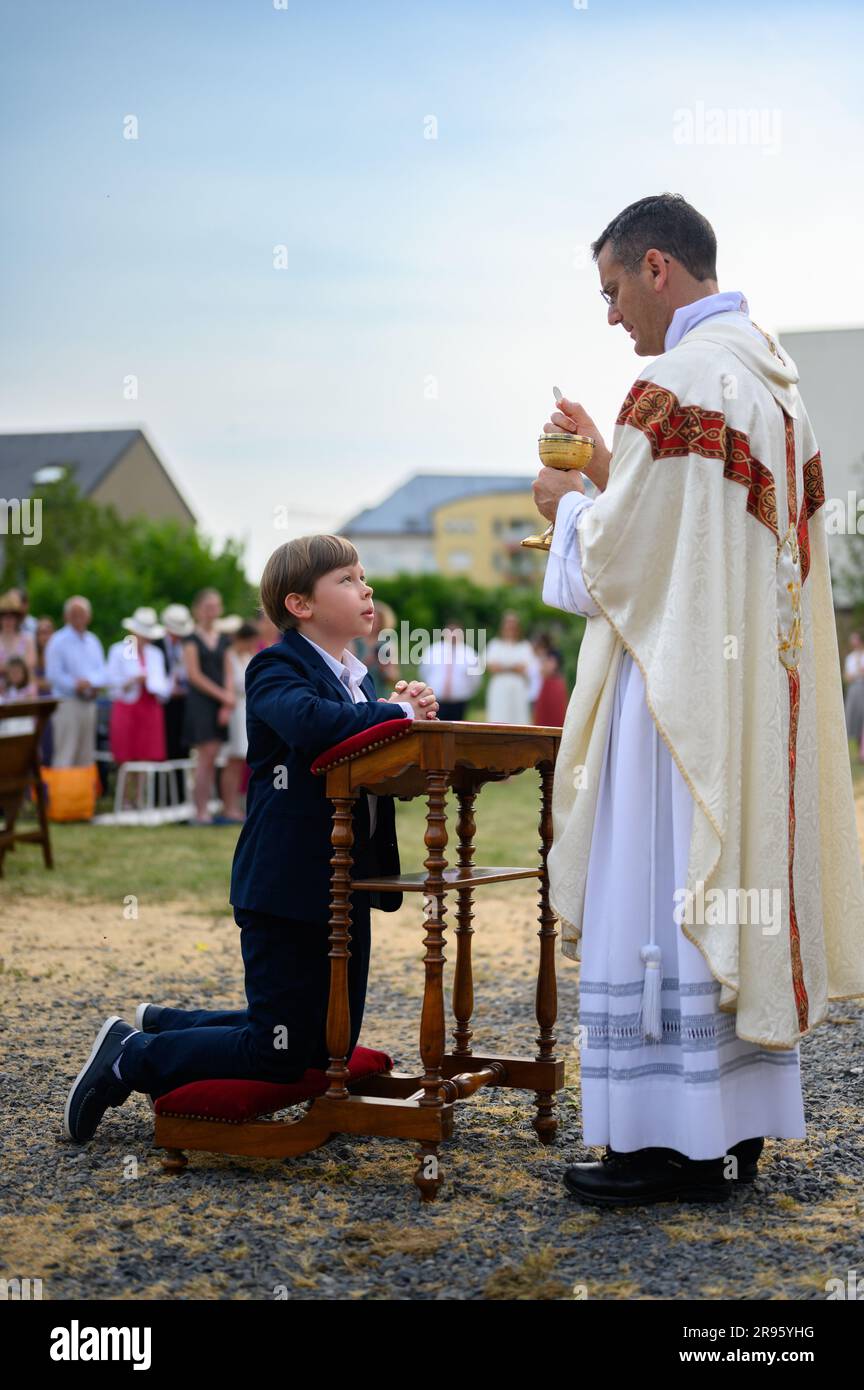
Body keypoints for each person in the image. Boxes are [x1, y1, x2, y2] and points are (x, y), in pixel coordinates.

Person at [536, 193, 864, 1207]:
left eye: (612, 290)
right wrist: (608, 465)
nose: (611, 317)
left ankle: (659, 1145)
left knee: (656, 890)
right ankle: (732, 1131)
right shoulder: (773, 383)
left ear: (656, 268)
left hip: (675, 709)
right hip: (748, 701)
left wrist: (566, 509)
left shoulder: (672, 381)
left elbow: (621, 565)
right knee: (718, 891)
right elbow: (702, 540)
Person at [63, 534, 439, 1141]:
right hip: (287, 884)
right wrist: (396, 717)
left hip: (343, 885)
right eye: (346, 579)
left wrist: (405, 721)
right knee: (279, 1051)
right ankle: (132, 1057)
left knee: (322, 1040)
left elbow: (369, 762)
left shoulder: (359, 681)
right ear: (300, 605)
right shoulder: (275, 666)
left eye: (363, 576)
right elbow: (313, 727)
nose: (366, 588)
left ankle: (166, 1023)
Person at [105, 608, 172, 807]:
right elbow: (112, 683)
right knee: (126, 753)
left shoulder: (155, 653)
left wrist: (156, 684)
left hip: (150, 706)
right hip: (127, 706)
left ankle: (140, 798)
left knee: (146, 754)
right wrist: (133, 680)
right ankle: (125, 798)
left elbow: (161, 683)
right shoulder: (122, 649)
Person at [181, 589, 234, 825]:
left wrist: (228, 700)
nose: (212, 611)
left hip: (220, 702)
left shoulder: (224, 639)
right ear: (198, 610)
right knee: (205, 756)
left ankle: (211, 807)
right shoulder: (191, 639)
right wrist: (222, 695)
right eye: (208, 607)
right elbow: (194, 675)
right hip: (201, 702)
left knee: (215, 757)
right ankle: (200, 810)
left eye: (216, 606)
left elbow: (228, 670)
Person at [44, 596, 107, 767]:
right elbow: (53, 674)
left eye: (82, 613)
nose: (78, 617)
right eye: (74, 613)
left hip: (89, 703)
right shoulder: (57, 641)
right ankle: (62, 793)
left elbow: (102, 671)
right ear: (66, 616)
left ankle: (82, 793)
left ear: (89, 616)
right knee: (65, 752)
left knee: (86, 755)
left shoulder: (93, 641)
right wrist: (75, 684)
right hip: (67, 704)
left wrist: (92, 683)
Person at [219, 620, 259, 822]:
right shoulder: (229, 655)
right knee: (232, 760)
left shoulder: (249, 655)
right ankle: (228, 806)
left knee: (242, 761)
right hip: (235, 708)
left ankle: (236, 805)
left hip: (247, 708)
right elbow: (228, 683)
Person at [157, 604, 194, 802]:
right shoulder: (156, 644)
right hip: (160, 706)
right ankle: (160, 798)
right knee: (162, 750)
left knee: (182, 749)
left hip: (183, 705)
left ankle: (179, 797)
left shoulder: (186, 645)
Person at [419, 618, 483, 721]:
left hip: (459, 701)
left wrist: (466, 693)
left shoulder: (470, 654)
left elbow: (475, 679)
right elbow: (424, 672)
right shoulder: (432, 651)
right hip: (436, 700)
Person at [484, 611, 538, 723]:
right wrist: (513, 667)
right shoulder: (494, 645)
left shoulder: (524, 646)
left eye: (513, 625)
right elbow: (492, 667)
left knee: (519, 720)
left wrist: (503, 666)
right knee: (498, 718)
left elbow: (524, 668)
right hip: (499, 688)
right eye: (507, 625)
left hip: (518, 689)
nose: (510, 628)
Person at [0, 590, 37, 684]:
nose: (8, 620)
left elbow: (30, 664)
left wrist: (6, 668)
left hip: (23, 690)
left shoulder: (28, 639)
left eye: (12, 616)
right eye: (4, 616)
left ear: (17, 618)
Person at [533, 646, 569, 726]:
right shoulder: (546, 682)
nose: (544, 664)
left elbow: (558, 715)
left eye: (548, 661)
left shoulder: (557, 685)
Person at [842, 632, 864, 759]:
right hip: (853, 689)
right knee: (854, 717)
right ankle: (858, 751)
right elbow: (847, 676)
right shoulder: (849, 658)